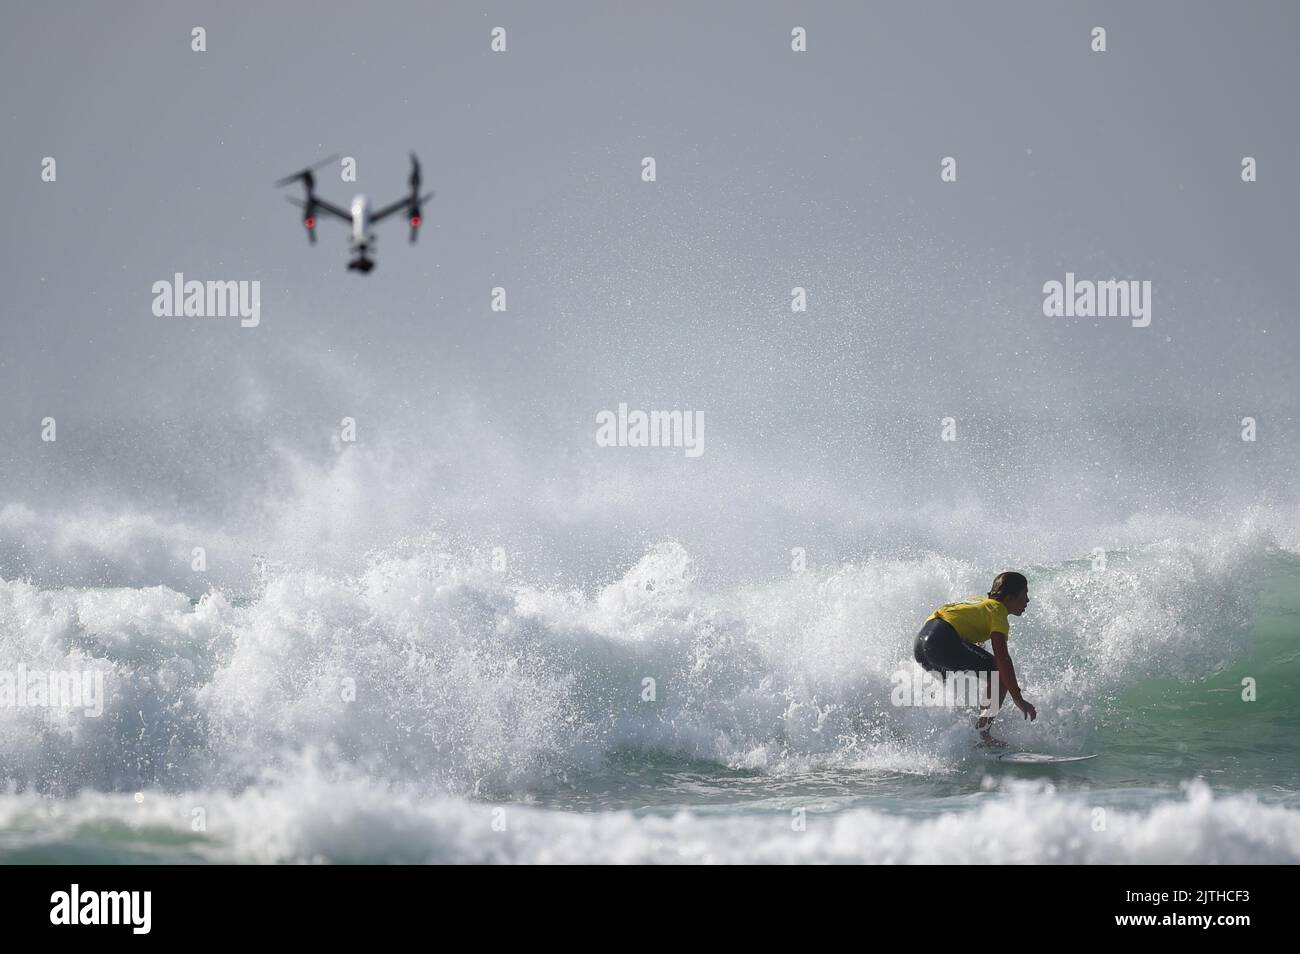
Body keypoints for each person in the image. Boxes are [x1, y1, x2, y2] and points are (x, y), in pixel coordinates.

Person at [913, 572, 1037, 747]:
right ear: (1009, 598)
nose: (1027, 601)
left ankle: (957, 730)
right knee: (999, 674)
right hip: (942, 641)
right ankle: (982, 734)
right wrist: (1018, 698)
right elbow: (1002, 658)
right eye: (1024, 595)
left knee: (957, 683)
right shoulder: (998, 611)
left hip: (921, 647)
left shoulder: (977, 603)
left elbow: (967, 633)